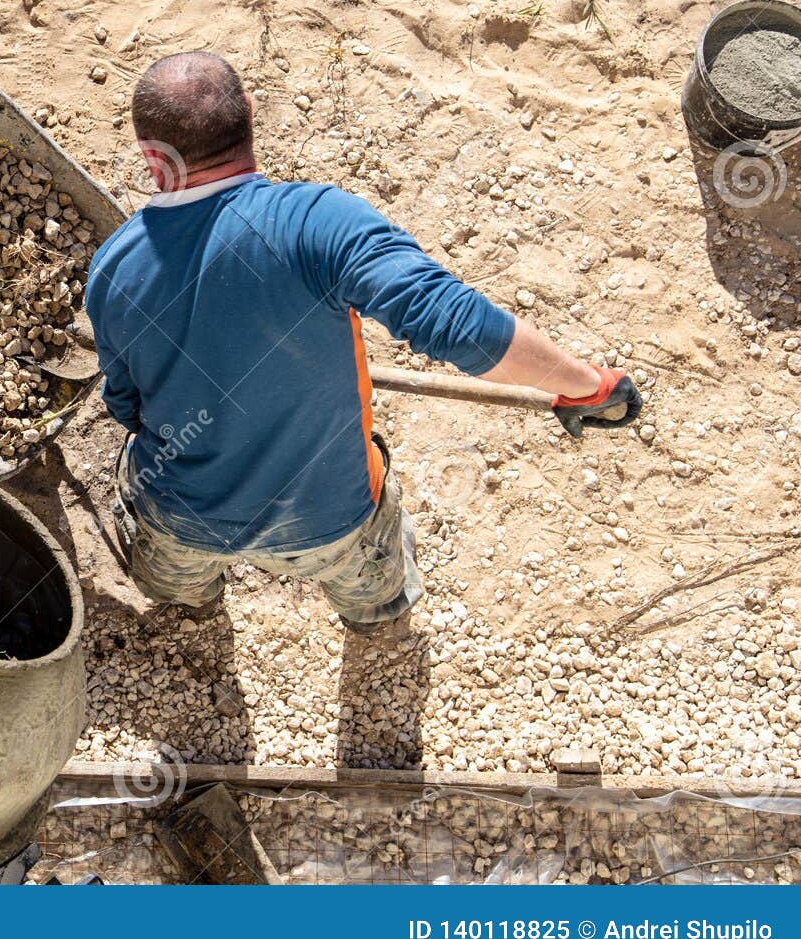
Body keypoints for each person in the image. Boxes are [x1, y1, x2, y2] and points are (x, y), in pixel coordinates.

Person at [85, 51, 642, 631]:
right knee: (370, 577)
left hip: (183, 517)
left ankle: (190, 602)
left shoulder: (112, 270)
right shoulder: (317, 223)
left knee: (164, 549)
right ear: (251, 112)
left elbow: (127, 407)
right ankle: (373, 615)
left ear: (152, 157)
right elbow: (458, 324)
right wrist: (589, 385)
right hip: (329, 516)